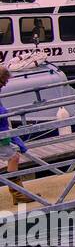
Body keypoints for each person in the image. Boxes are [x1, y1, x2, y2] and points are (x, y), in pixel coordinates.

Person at [0, 68, 29, 201]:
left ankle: (18, 194)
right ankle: (18, 194)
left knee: (14, 157)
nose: (5, 84)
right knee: (13, 158)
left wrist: (12, 135)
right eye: (4, 81)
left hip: (3, 131)